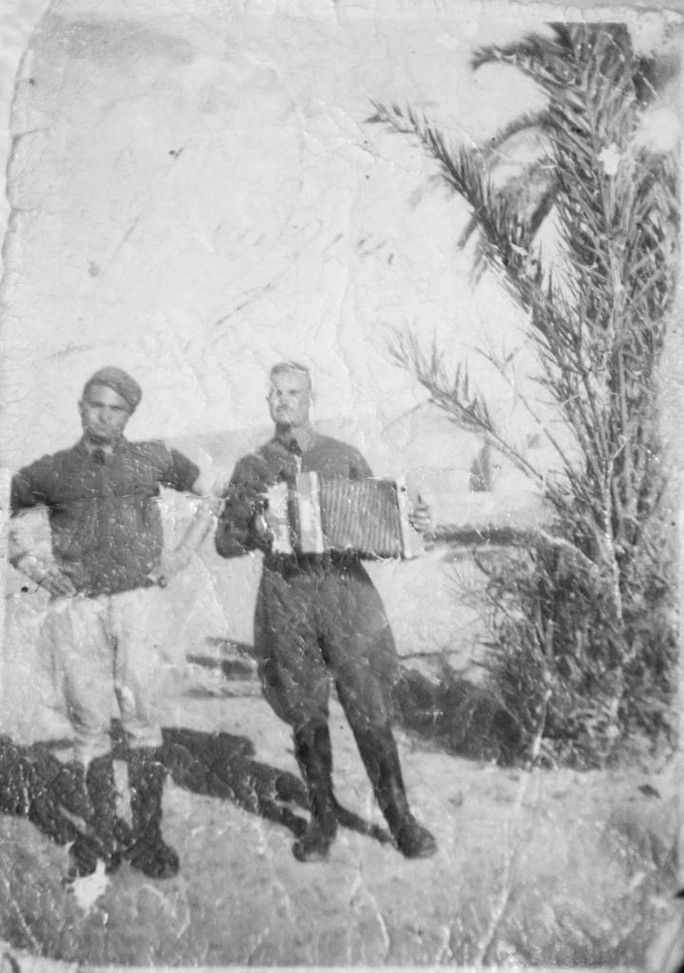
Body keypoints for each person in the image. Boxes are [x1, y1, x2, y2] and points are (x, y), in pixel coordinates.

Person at [215, 361, 437, 862]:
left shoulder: (343, 457)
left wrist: (415, 521)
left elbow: (381, 530)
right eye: (274, 392)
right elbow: (225, 541)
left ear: (311, 398)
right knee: (305, 711)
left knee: (370, 707)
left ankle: (401, 820)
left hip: (345, 596)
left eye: (293, 392)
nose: (283, 401)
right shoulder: (252, 467)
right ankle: (322, 820)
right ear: (266, 400)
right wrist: (256, 527)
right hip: (286, 597)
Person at [10, 366, 216, 881]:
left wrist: (180, 557)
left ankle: (148, 838)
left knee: (142, 720)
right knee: (88, 724)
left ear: (129, 413)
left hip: (138, 605)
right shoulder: (50, 470)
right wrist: (36, 568)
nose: (103, 415)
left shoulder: (154, 457)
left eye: (114, 407)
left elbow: (210, 497)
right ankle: (101, 836)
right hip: (77, 609)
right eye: (94, 404)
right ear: (80, 407)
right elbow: (14, 529)